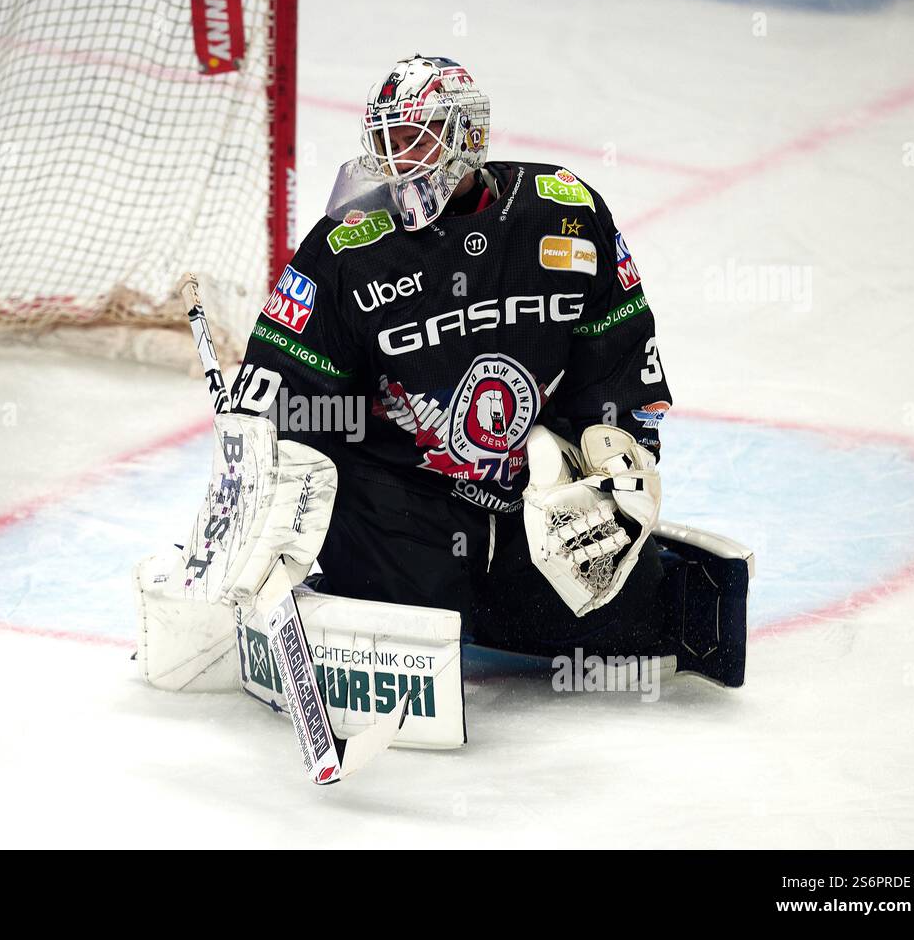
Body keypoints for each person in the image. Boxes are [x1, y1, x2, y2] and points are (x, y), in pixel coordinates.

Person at [231, 54, 674, 659]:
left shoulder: (564, 210)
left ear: (466, 136)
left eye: (413, 136)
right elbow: (287, 383)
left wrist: (616, 440)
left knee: (620, 617)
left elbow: (618, 340)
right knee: (406, 626)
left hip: (533, 495)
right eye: (385, 140)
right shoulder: (348, 246)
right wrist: (270, 482)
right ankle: (397, 590)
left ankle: (506, 596)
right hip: (403, 499)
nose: (396, 158)